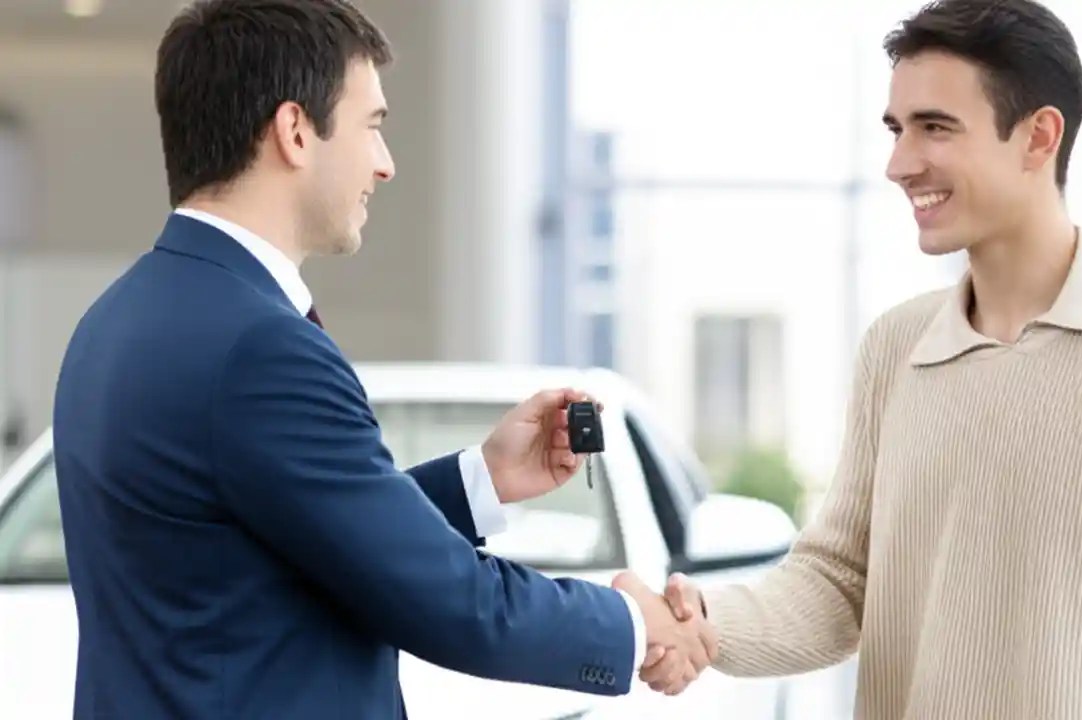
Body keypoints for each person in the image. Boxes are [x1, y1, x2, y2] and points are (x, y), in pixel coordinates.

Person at [51, 1, 711, 718]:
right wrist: (634, 625)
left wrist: (481, 481)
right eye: (371, 126)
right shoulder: (261, 350)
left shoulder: (112, 322)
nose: (385, 164)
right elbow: (451, 602)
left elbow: (286, 547)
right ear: (295, 132)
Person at [639, 0, 1082, 717]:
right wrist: (703, 623)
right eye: (897, 129)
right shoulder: (896, 349)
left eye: (935, 128)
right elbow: (841, 583)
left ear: (1038, 137)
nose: (899, 164)